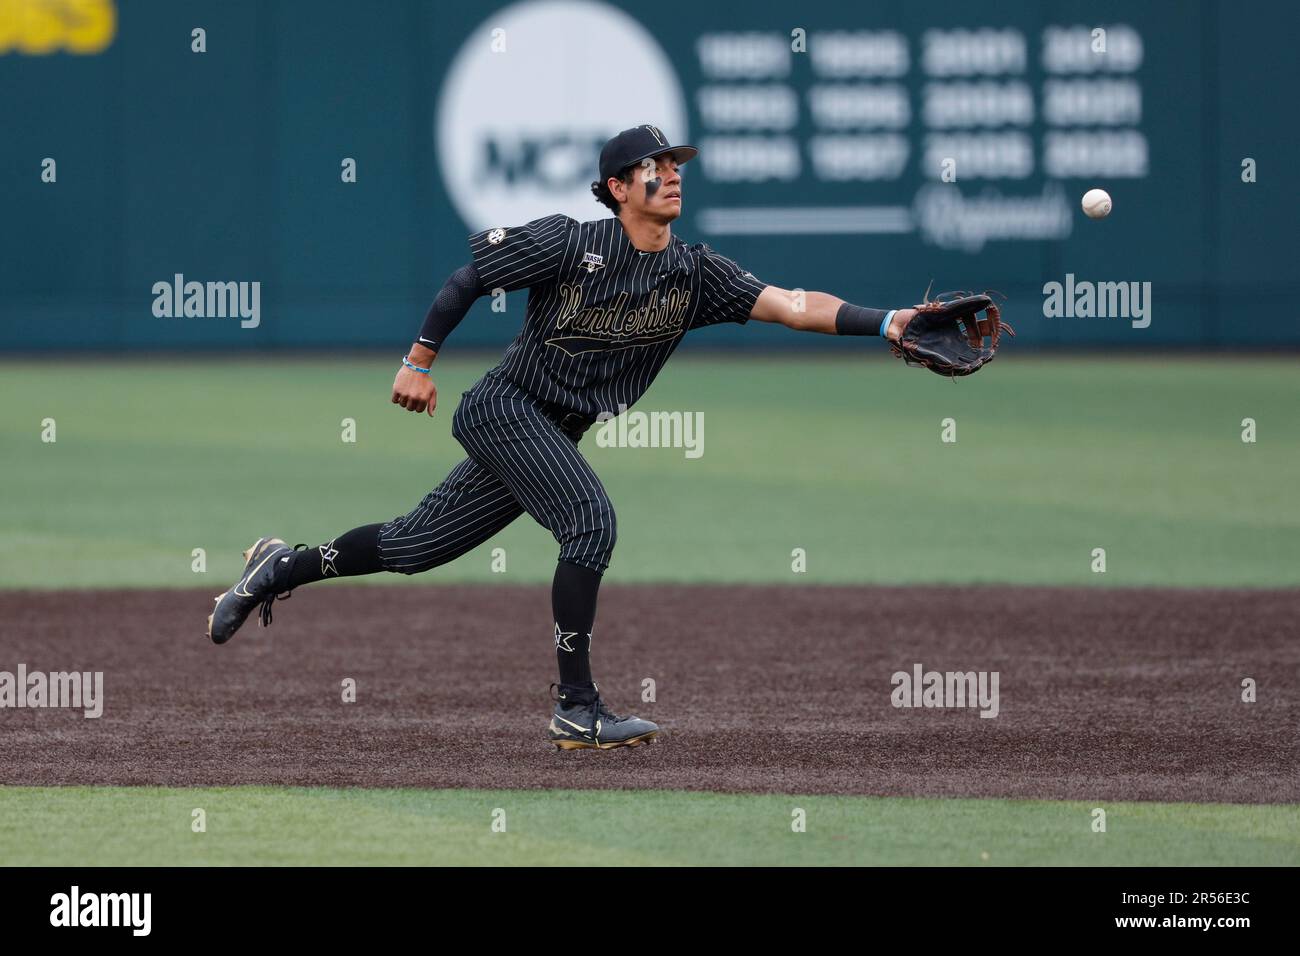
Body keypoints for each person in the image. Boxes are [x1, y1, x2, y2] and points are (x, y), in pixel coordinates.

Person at [206, 124, 916, 750]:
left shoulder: (695, 274)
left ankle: (280, 565)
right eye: (655, 166)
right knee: (589, 522)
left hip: (551, 432)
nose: (671, 176)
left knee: (410, 546)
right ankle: (576, 708)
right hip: (504, 409)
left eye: (676, 166)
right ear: (616, 186)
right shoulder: (571, 243)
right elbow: (468, 280)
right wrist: (417, 362)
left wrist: (887, 322)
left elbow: (795, 306)